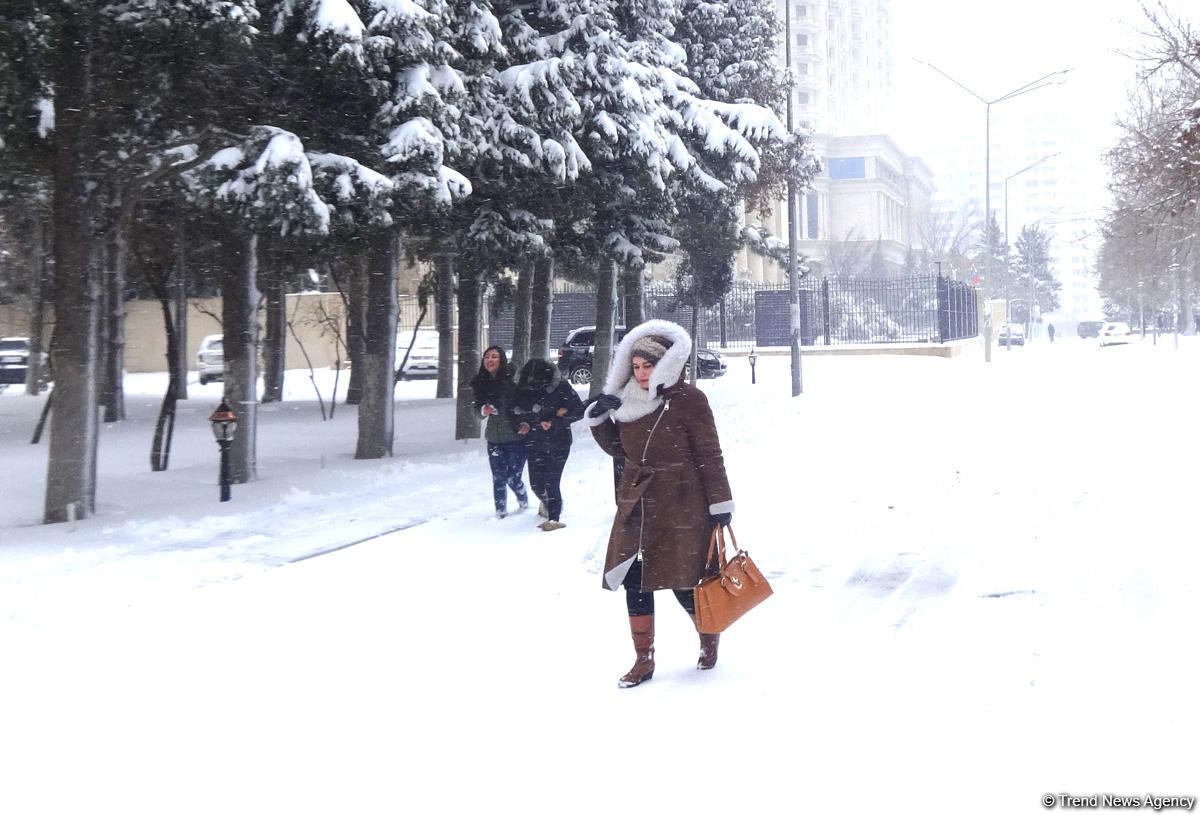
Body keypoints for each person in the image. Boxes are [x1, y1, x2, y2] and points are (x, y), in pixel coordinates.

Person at [583, 320, 734, 688]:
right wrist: (601, 418)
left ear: (666, 364)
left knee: (683, 582)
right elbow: (619, 450)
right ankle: (643, 658)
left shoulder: (689, 400)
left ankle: (708, 634)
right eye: (634, 367)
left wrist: (720, 503)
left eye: (648, 366)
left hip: (681, 501)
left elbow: (709, 455)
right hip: (638, 502)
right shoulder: (627, 402)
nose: (640, 374)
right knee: (635, 579)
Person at [509, 358, 584, 531]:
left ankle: (554, 518)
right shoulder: (521, 388)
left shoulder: (561, 387)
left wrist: (556, 420)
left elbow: (578, 410)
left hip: (559, 442)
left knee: (551, 481)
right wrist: (522, 424)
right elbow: (512, 411)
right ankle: (548, 503)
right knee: (536, 484)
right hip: (534, 442)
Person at [470, 346, 529, 519]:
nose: (490, 360)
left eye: (494, 356)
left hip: (515, 436)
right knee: (498, 477)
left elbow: (525, 403)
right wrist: (483, 409)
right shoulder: (481, 383)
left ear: (501, 360)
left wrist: (525, 421)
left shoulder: (513, 380)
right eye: (486, 357)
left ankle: (523, 499)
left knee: (512, 476)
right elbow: (476, 411)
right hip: (494, 438)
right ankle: (500, 511)